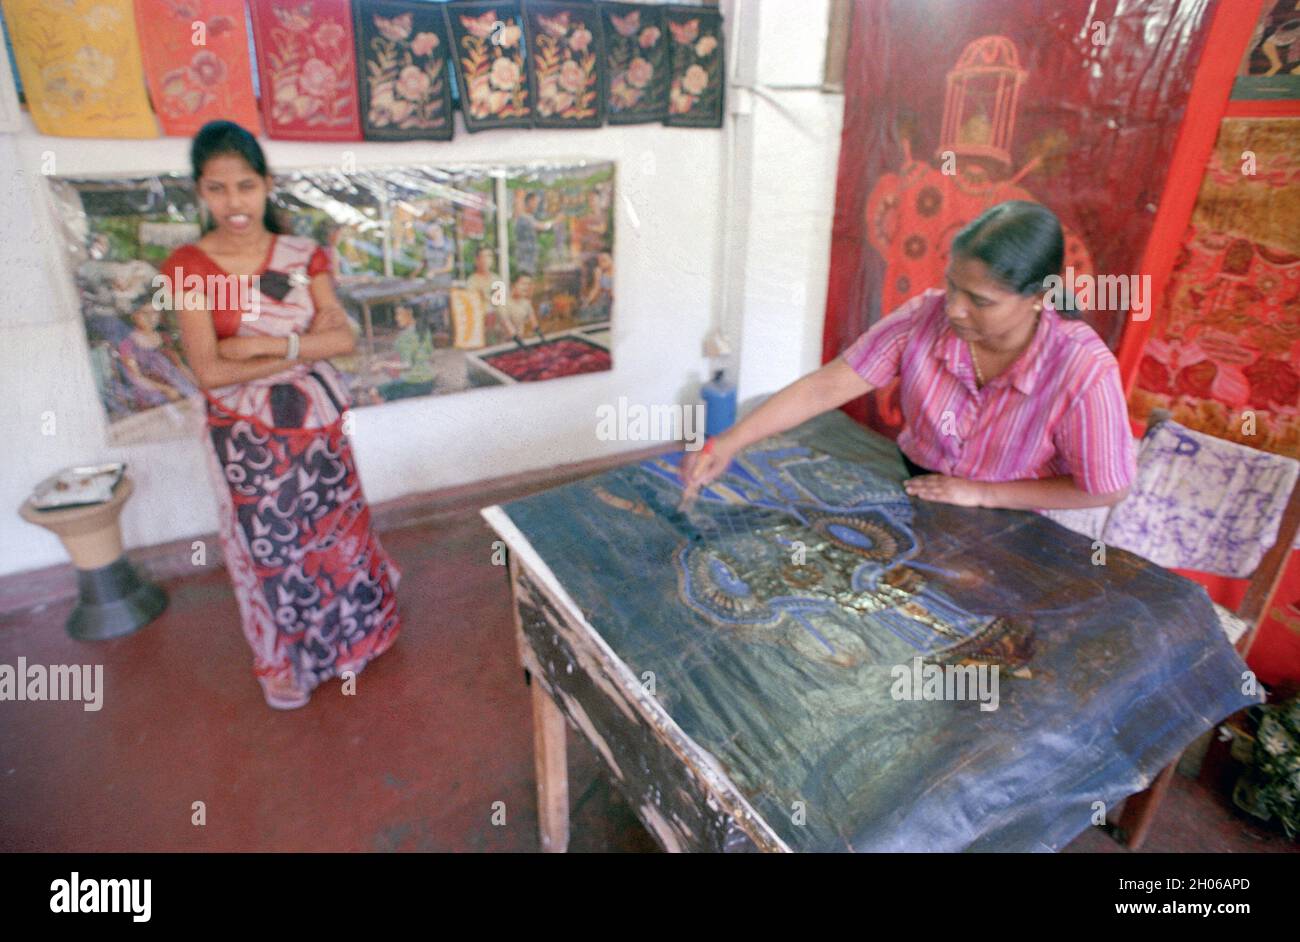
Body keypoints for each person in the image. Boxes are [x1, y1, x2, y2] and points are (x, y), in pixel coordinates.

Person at [161, 120, 402, 710]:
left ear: (267, 184)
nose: (233, 203)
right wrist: (292, 347)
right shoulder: (189, 268)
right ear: (199, 192)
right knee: (270, 549)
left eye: (245, 186)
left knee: (338, 533)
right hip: (246, 441)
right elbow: (209, 373)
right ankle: (285, 658)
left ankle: (360, 635)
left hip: (317, 427)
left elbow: (341, 340)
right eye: (217, 189)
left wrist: (259, 348)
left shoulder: (301, 256)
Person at [681, 201, 1136, 512]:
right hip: (920, 485)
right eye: (953, 285)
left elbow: (1108, 489)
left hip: (1020, 514)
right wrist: (730, 441)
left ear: (1039, 297)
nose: (954, 307)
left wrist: (980, 495)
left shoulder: (1082, 369)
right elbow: (826, 387)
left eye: (980, 300)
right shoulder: (925, 317)